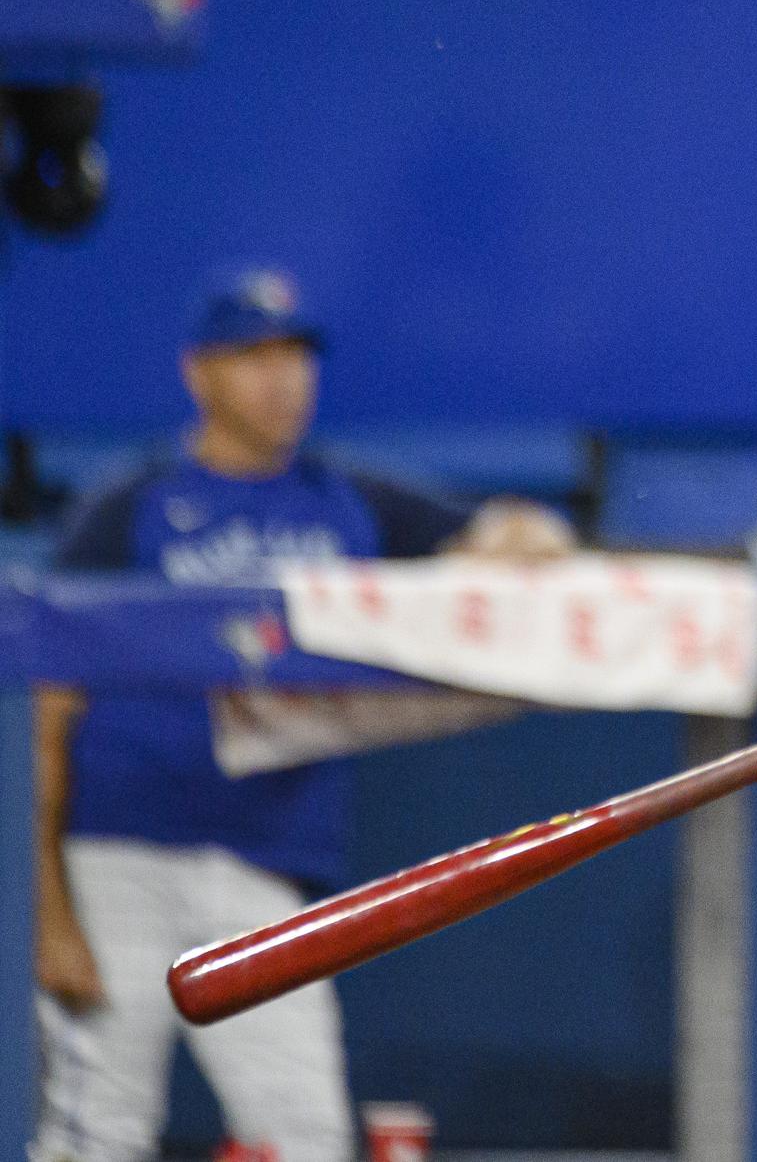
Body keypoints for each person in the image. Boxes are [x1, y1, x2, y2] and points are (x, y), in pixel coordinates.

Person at [34, 267, 574, 1162]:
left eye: (296, 356)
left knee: (308, 1135)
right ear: (198, 373)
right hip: (115, 859)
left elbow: (510, 533)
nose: (283, 378)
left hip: (263, 869)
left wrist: (525, 537)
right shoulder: (131, 508)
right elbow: (43, 719)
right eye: (253, 355)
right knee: (97, 1133)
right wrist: (47, 912)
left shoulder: (348, 501)